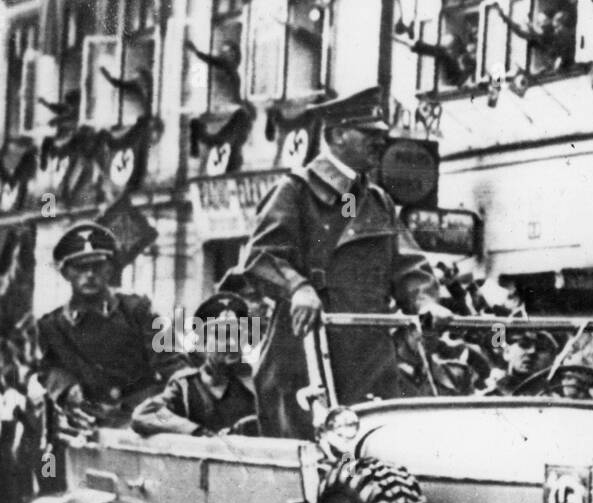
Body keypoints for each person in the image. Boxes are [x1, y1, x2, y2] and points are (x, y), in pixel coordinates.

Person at [237, 86, 450, 438]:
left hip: (368, 354)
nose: (379, 143)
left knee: (375, 453)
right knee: (312, 459)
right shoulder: (295, 191)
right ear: (336, 135)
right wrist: (299, 287)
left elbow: (408, 265)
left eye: (381, 136)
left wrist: (427, 303)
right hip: (305, 349)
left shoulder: (374, 200)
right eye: (367, 134)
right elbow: (260, 256)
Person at [36, 222, 185, 424]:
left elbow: (172, 361)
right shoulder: (52, 326)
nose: (89, 275)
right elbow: (47, 368)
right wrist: (66, 389)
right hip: (88, 420)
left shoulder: (140, 310)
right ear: (65, 273)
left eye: (97, 266)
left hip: (144, 417)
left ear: (109, 270)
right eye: (80, 267)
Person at [131, 293, 259, 437]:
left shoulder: (256, 385)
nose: (232, 343)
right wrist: (195, 430)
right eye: (221, 335)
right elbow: (150, 415)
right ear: (202, 343)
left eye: (238, 335)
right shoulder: (186, 386)